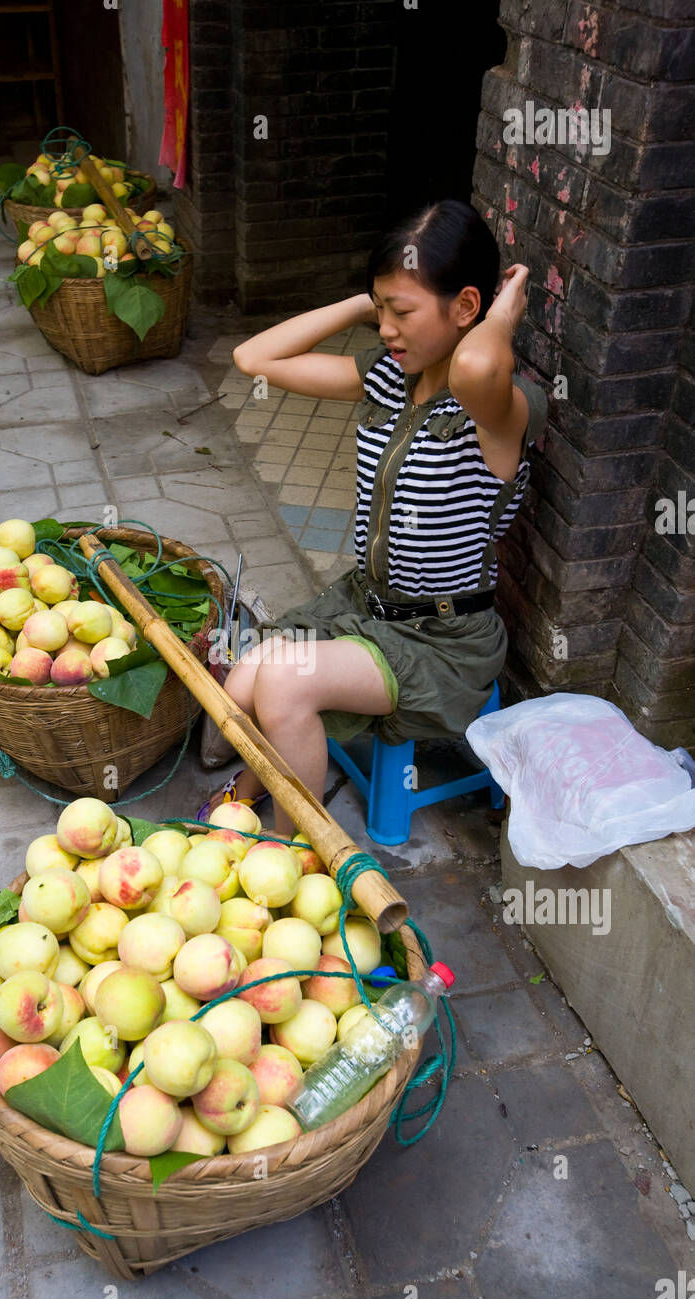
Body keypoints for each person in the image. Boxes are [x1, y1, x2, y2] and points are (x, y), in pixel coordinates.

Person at [201, 199, 547, 837]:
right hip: (367, 607)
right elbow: (255, 358)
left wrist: (505, 307)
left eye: (403, 311)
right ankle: (243, 799)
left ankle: (295, 853)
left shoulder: (501, 409)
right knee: (242, 677)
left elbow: (473, 366)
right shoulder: (391, 379)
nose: (387, 328)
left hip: (441, 641)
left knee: (281, 684)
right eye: (381, 309)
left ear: (466, 307)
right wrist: (370, 303)